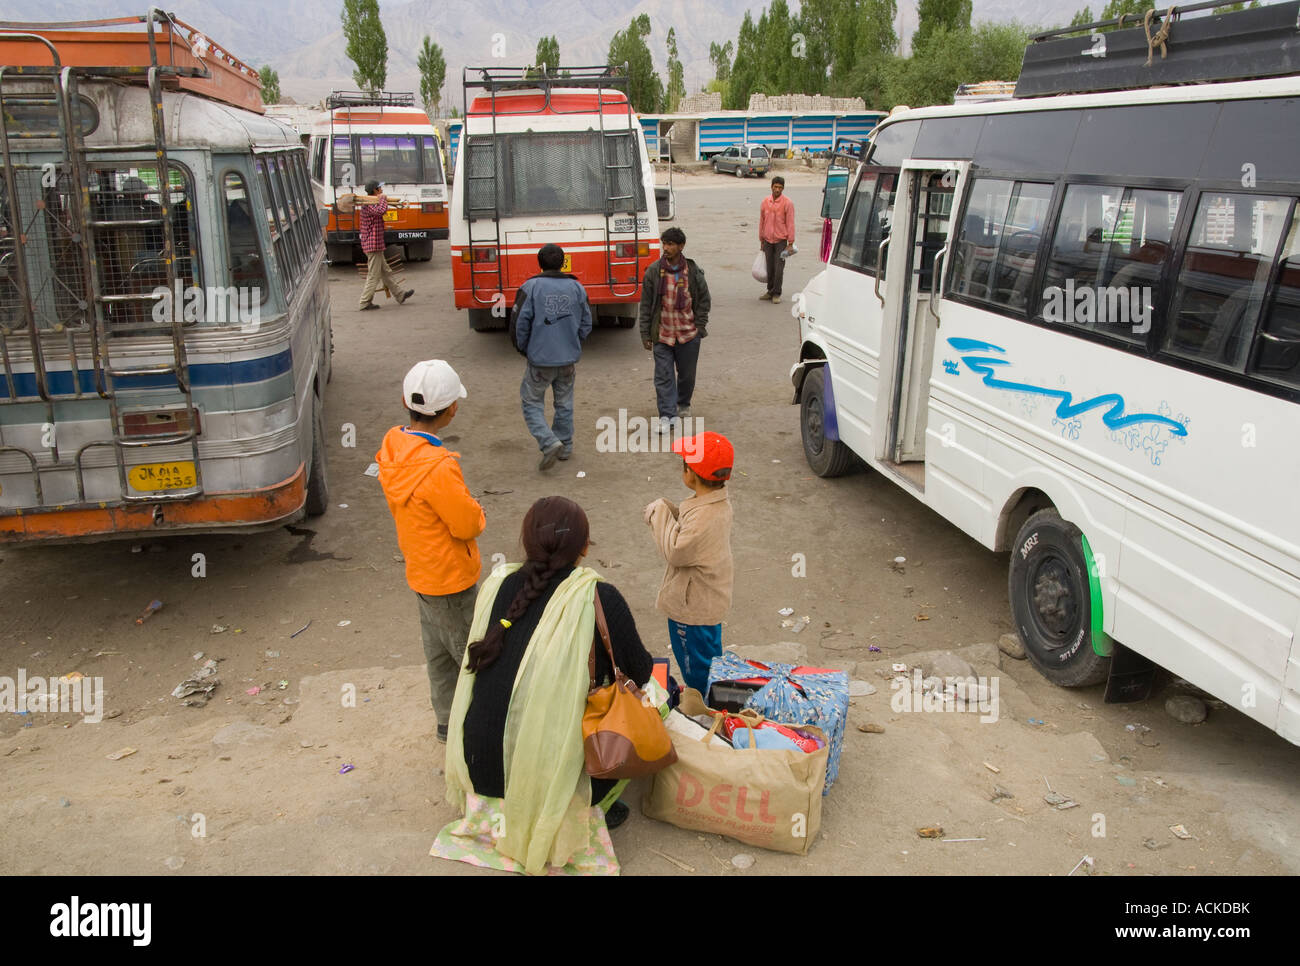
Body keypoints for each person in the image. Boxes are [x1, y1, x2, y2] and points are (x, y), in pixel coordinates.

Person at [436, 496, 654, 875]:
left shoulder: (499, 582)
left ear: (528, 540)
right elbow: (641, 670)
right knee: (647, 708)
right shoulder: (599, 597)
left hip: (479, 764)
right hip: (543, 782)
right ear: (584, 547)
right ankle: (590, 801)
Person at [375, 360, 485, 744]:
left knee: (438, 656)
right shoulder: (437, 467)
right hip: (451, 578)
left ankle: (445, 720)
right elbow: (467, 525)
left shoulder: (394, 447)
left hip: (421, 573)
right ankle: (475, 732)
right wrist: (477, 510)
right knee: (472, 658)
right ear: (453, 408)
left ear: (406, 400)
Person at [644, 431, 735, 696]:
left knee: (695, 666)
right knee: (708, 657)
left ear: (692, 474)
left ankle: (704, 707)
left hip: (692, 609)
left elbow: (676, 551)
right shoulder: (716, 504)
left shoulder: (703, 517)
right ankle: (710, 695)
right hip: (708, 602)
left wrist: (659, 512)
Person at [513, 243, 592, 470]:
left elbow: (520, 324)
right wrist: (573, 342)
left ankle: (549, 442)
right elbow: (586, 323)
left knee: (531, 402)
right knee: (564, 402)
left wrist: (525, 349)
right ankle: (565, 446)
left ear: (539, 263)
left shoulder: (531, 287)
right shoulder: (577, 287)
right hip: (568, 359)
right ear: (562, 262)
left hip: (539, 360)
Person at [638, 227, 712, 435]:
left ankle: (683, 404)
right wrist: (645, 334)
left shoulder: (693, 271)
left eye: (671, 244)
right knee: (663, 376)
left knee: (686, 375)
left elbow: (704, 300)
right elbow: (645, 305)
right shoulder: (653, 271)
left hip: (688, 333)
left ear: (681, 246)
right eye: (665, 243)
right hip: (663, 334)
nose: (666, 248)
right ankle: (667, 416)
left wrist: (699, 327)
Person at [356, 179, 413, 311]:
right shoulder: (368, 204)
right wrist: (382, 199)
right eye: (380, 189)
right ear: (375, 190)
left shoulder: (372, 202)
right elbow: (380, 211)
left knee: (386, 272)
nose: (382, 190)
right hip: (372, 245)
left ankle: (400, 295)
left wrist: (381, 199)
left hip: (376, 244)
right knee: (374, 275)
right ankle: (364, 302)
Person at [759, 175, 796, 304]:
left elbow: (790, 223)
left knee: (779, 268)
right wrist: (761, 239)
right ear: (771, 187)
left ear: (783, 188)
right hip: (768, 240)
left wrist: (790, 242)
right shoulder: (765, 202)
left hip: (781, 241)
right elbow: (762, 221)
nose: (777, 190)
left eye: (780, 187)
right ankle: (769, 291)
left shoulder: (787, 203)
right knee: (769, 268)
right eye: (775, 187)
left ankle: (776, 293)